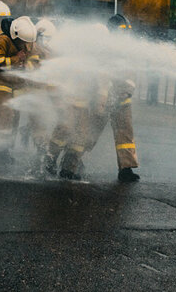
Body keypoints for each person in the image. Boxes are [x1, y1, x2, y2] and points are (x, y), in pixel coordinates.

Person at [54, 14, 140, 182]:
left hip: (122, 100)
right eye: (122, 31)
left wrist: (127, 91)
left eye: (126, 32)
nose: (125, 36)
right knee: (88, 133)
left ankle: (126, 168)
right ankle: (70, 165)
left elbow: (131, 75)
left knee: (125, 136)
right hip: (102, 100)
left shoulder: (128, 52)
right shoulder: (102, 49)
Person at [0, 16, 37, 163]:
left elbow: (32, 60)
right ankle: (1, 151)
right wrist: (15, 59)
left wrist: (27, 66)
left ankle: (8, 148)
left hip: (16, 85)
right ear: (15, 35)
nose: (25, 44)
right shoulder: (2, 41)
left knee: (15, 118)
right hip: (0, 83)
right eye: (23, 41)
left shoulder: (27, 42)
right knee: (5, 116)